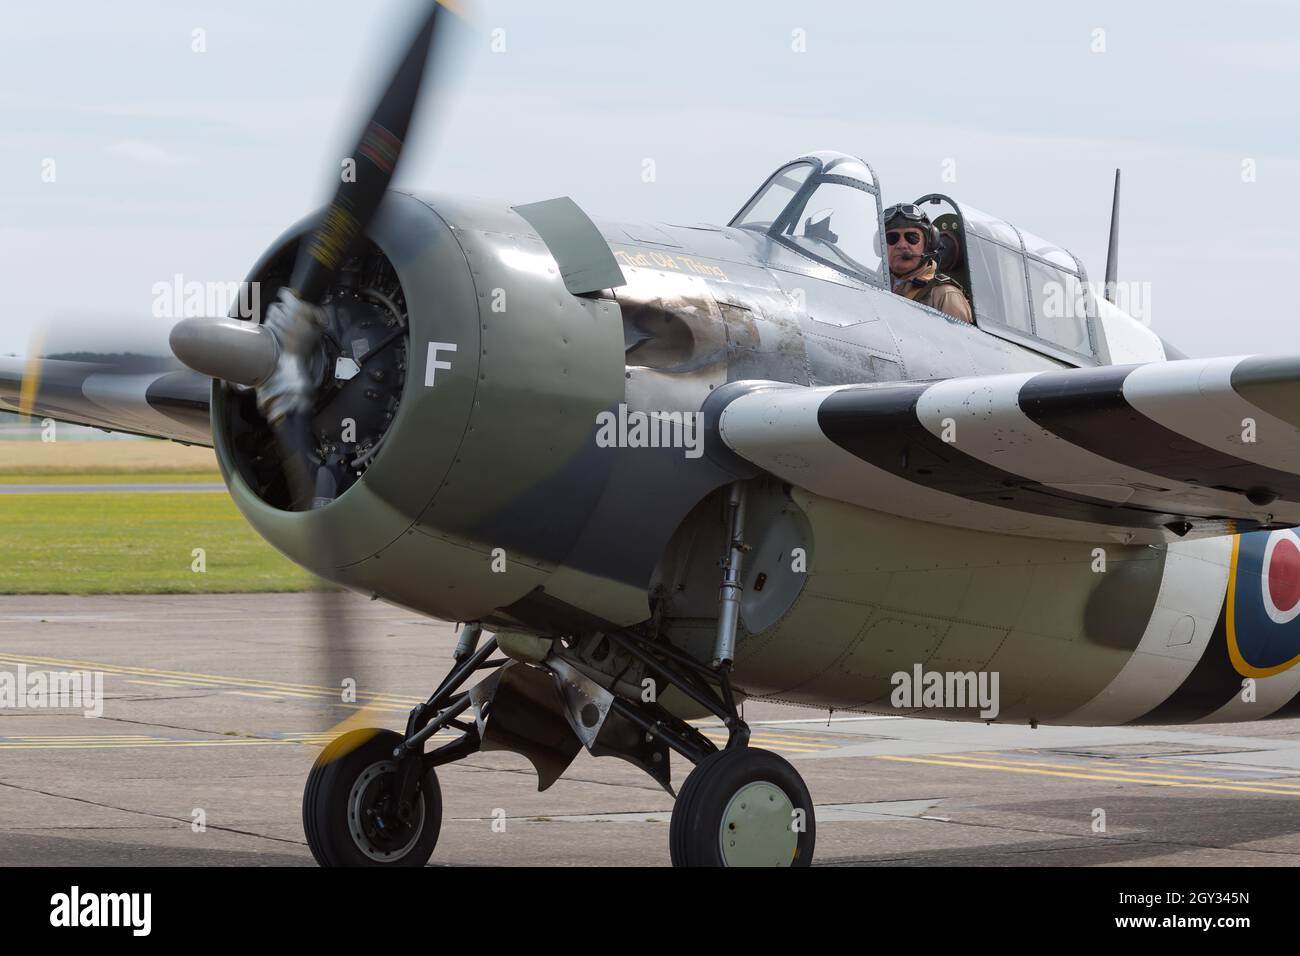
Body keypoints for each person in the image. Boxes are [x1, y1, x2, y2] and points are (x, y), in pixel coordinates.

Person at [883, 203, 973, 323]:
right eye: (892, 238)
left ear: (929, 244)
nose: (901, 245)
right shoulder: (876, 288)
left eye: (912, 237)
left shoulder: (945, 295)